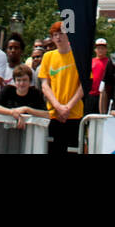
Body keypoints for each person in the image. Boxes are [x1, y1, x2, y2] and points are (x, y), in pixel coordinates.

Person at [38, 21, 84, 155]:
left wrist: (67, 107)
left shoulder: (79, 56)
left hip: (74, 114)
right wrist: (58, 107)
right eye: (55, 34)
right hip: (54, 115)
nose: (58, 37)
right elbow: (45, 85)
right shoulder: (48, 56)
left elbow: (83, 86)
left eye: (61, 33)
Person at [0, 63, 49, 129]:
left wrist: (26, 109)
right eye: (18, 80)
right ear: (14, 81)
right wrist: (12, 112)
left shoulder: (36, 93)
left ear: (30, 81)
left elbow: (47, 114)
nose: (21, 83)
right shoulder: (7, 90)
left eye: (24, 80)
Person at [89, 37, 110, 114]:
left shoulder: (109, 62)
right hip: (91, 94)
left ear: (106, 49)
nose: (100, 50)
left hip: (103, 95)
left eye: (102, 48)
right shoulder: (91, 62)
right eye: (98, 48)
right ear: (95, 50)